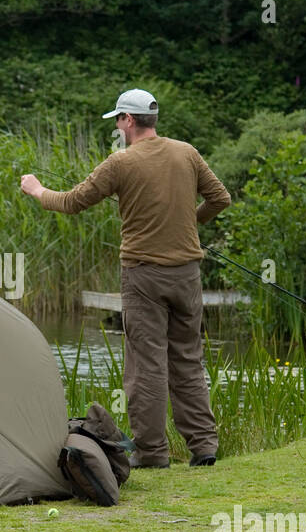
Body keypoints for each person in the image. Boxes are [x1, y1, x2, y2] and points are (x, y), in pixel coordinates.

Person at [20, 88, 231, 468]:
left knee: (147, 365)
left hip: (143, 277)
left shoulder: (119, 163)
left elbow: (71, 202)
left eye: (118, 119)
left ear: (129, 121)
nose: (118, 127)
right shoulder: (187, 153)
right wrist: (187, 224)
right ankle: (204, 447)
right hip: (187, 276)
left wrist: (37, 190)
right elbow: (220, 199)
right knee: (188, 358)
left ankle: (152, 453)